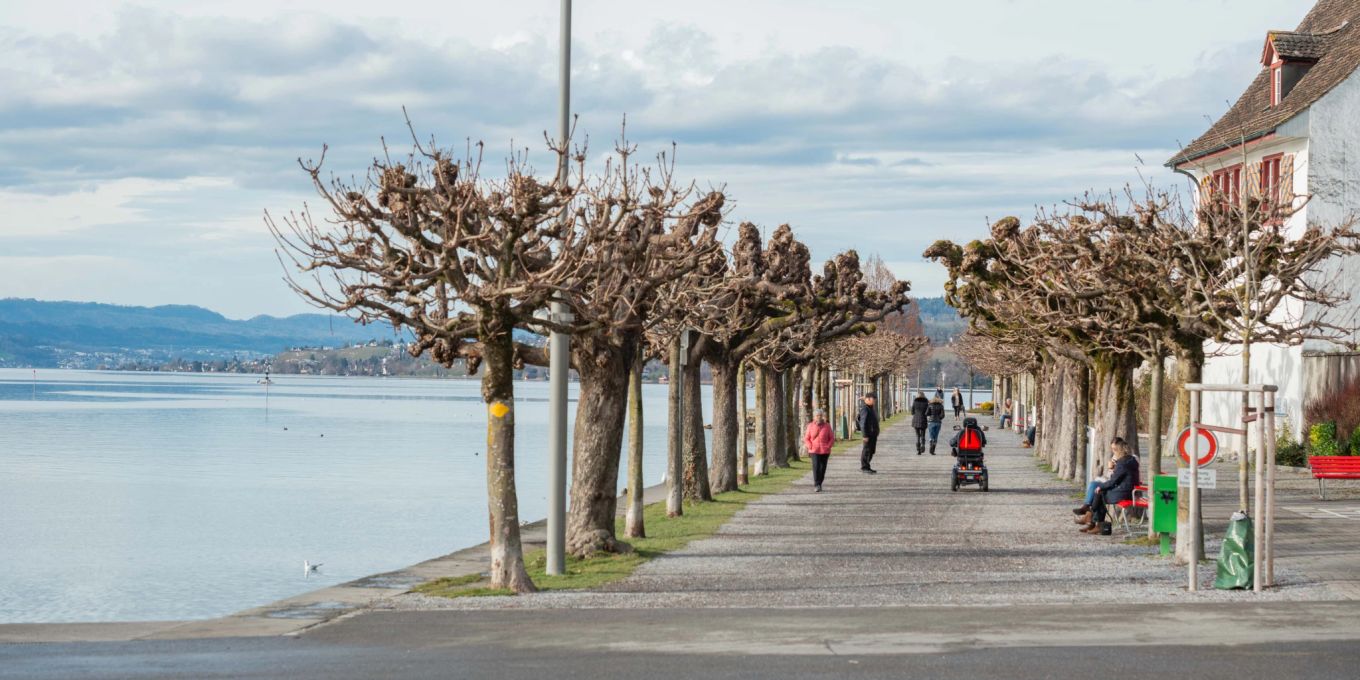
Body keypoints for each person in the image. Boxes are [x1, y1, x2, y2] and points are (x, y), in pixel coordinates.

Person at [1082, 438, 1141, 535]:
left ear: (1119, 450)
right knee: (1100, 493)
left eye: (1114, 450)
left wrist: (1101, 487)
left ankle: (1093, 520)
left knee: (1099, 493)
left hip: (1124, 493)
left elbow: (1113, 481)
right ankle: (1092, 521)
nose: (1113, 452)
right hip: (1129, 491)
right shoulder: (1131, 459)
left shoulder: (1122, 463)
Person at [1072, 457, 1118, 525]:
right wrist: (1111, 469)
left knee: (1096, 489)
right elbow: (1110, 477)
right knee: (1096, 490)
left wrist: (1114, 467)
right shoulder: (1119, 460)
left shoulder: (1126, 462)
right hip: (1111, 485)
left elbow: (1115, 479)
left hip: (1116, 489)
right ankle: (1091, 519)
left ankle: (1090, 518)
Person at [804, 408, 835, 492]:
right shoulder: (810, 426)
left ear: (822, 416)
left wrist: (828, 446)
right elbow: (806, 438)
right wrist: (810, 446)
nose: (819, 417)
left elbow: (832, 438)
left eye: (820, 415)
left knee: (822, 468)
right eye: (817, 415)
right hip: (814, 450)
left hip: (825, 451)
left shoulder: (827, 426)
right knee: (816, 467)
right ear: (814, 417)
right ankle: (816, 484)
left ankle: (820, 483)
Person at [857, 392, 880, 474]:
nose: (875, 402)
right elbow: (863, 423)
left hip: (873, 433)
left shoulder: (870, 407)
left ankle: (867, 466)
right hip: (868, 434)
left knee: (871, 451)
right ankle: (864, 467)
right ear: (869, 399)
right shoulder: (865, 409)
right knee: (867, 450)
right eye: (873, 400)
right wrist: (865, 435)